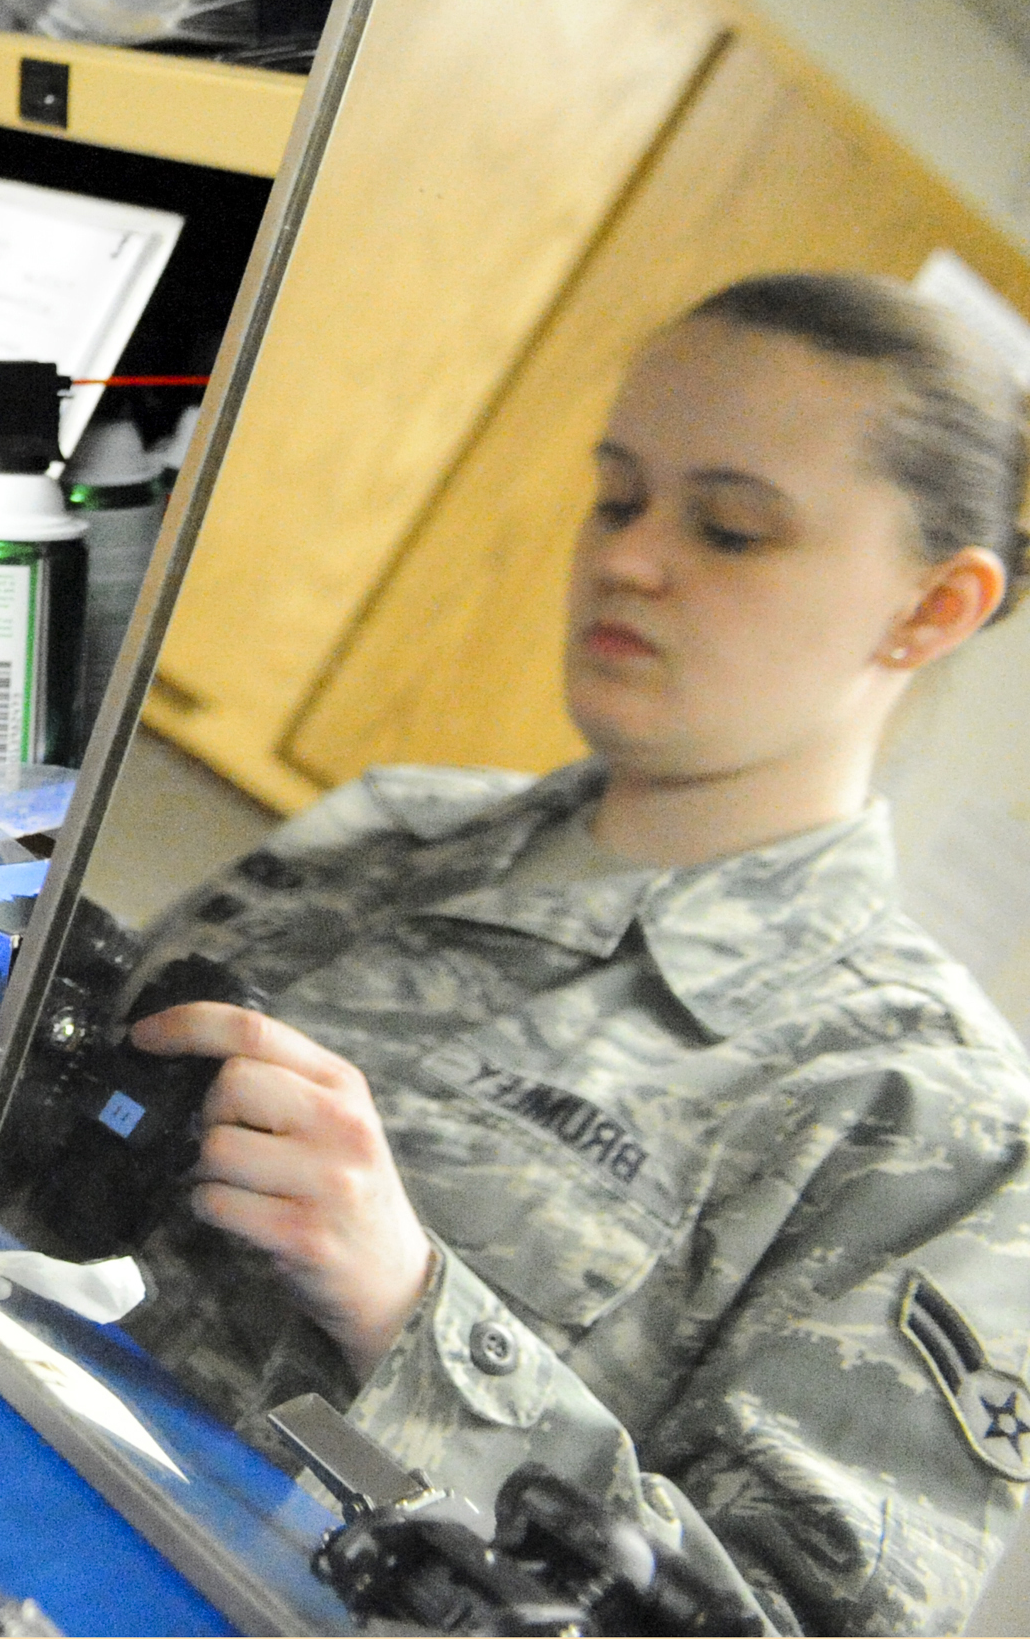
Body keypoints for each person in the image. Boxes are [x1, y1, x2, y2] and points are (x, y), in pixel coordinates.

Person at [112, 270, 1030, 1633]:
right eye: (617, 497)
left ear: (934, 609)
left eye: (729, 528)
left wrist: (410, 1307)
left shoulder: (934, 1117)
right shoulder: (387, 829)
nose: (630, 559)